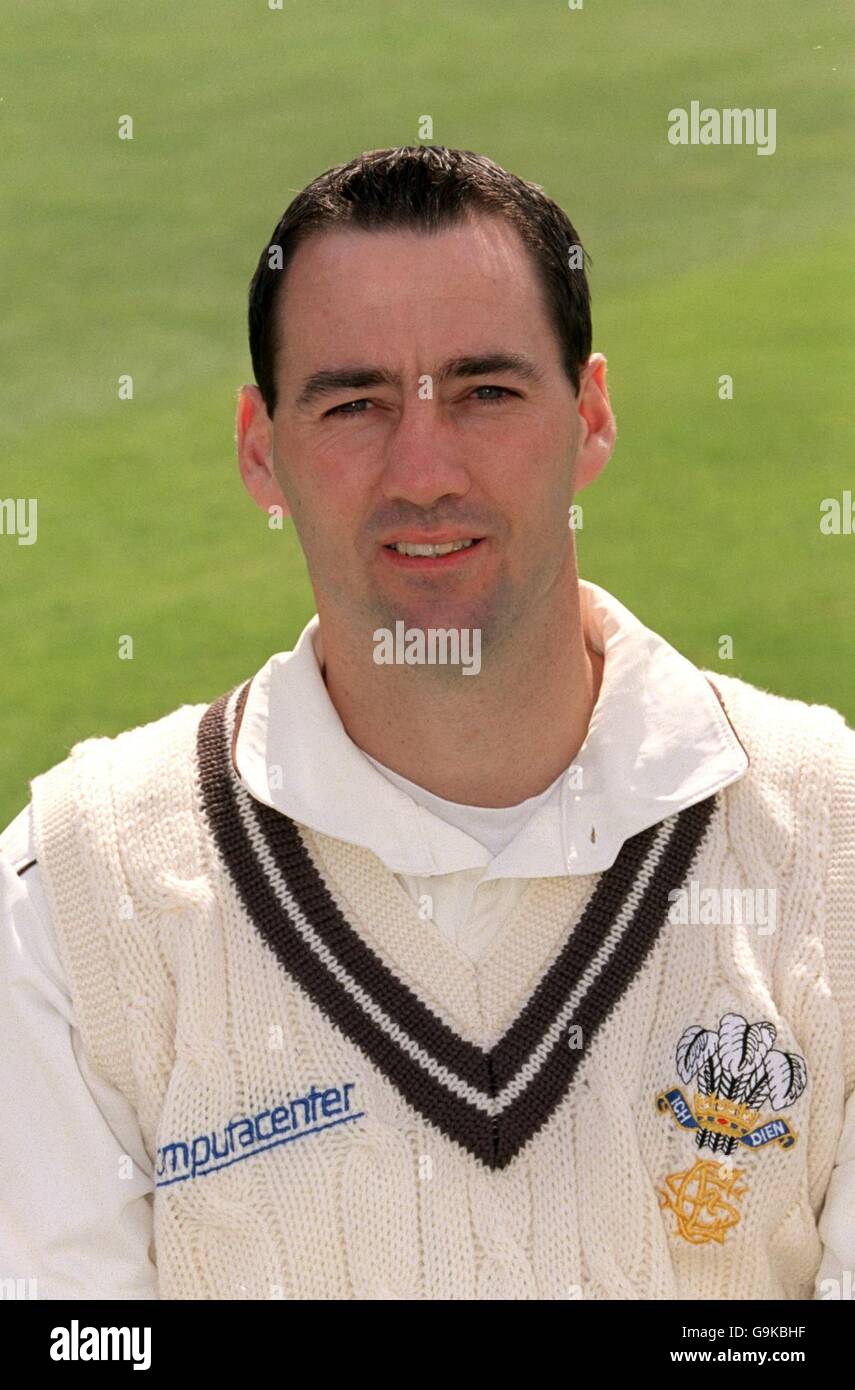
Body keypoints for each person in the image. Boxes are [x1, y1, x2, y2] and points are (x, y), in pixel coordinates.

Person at [1, 146, 852, 1301]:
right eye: (354, 402)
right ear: (261, 447)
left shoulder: (830, 842)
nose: (424, 468)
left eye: (485, 392)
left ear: (590, 417)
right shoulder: (76, 893)